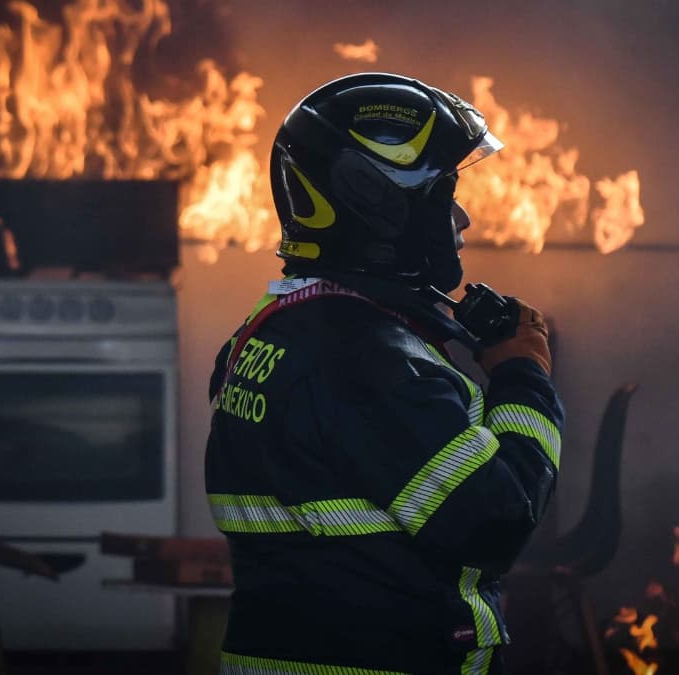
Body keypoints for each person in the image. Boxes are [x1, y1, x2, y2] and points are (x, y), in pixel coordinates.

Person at [204, 72, 564, 674]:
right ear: (379, 202)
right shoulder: (369, 360)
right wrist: (525, 375)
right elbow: (495, 524)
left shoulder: (276, 327)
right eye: (444, 194)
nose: (462, 217)